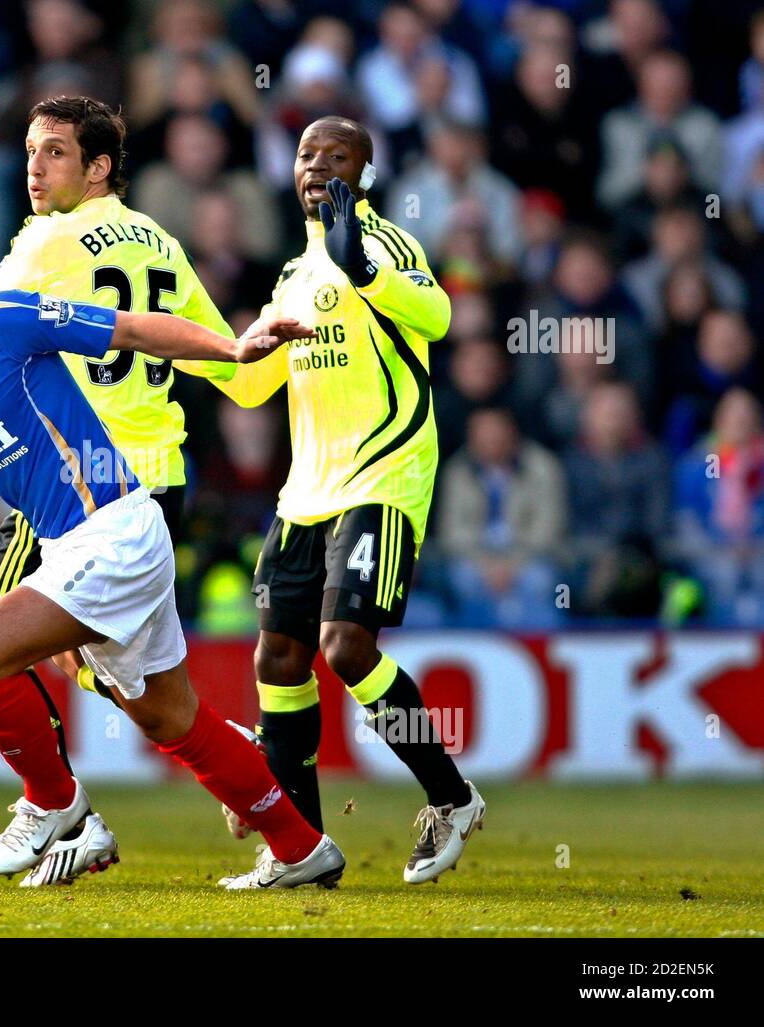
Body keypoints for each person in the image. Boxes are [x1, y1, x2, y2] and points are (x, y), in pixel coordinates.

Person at [0, 220, 344, 890]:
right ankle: (300, 845)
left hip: (115, 532)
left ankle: (60, 809)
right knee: (171, 719)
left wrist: (234, 348)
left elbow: (132, 329)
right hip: (73, 546)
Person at [215, 115, 484, 884]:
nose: (317, 165)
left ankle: (452, 797)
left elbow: (441, 317)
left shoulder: (386, 245)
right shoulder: (294, 274)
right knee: (278, 655)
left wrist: (361, 267)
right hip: (306, 492)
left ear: (364, 174)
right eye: (306, 154)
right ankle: (300, 846)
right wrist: (202, 343)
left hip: (384, 474)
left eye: (338, 156)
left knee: (345, 647)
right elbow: (249, 384)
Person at [0, 96, 236, 710]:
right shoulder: (163, 243)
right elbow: (223, 360)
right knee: (121, 680)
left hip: (80, 479)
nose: (35, 168)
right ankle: (238, 752)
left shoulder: (48, 240)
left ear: (99, 167)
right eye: (30, 152)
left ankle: (57, 804)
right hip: (160, 484)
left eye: (55, 153)